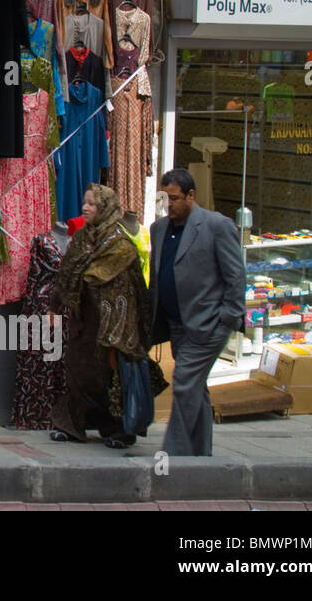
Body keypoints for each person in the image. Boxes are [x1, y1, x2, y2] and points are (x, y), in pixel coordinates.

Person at [48, 184, 154, 448]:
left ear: (105, 207)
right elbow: (67, 272)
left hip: (112, 323)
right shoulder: (83, 238)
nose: (85, 208)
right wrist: (54, 305)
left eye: (92, 204)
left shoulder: (120, 243)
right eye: (85, 202)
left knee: (107, 377)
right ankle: (72, 426)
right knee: (76, 370)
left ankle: (118, 430)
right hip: (83, 321)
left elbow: (125, 287)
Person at [149, 168, 245, 456]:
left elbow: (235, 276)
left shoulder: (217, 225)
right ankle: (201, 456)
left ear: (191, 196)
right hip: (177, 325)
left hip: (209, 324)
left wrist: (228, 318)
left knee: (185, 383)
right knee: (195, 387)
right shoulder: (159, 229)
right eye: (165, 199)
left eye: (175, 199)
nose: (169, 205)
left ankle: (173, 457)